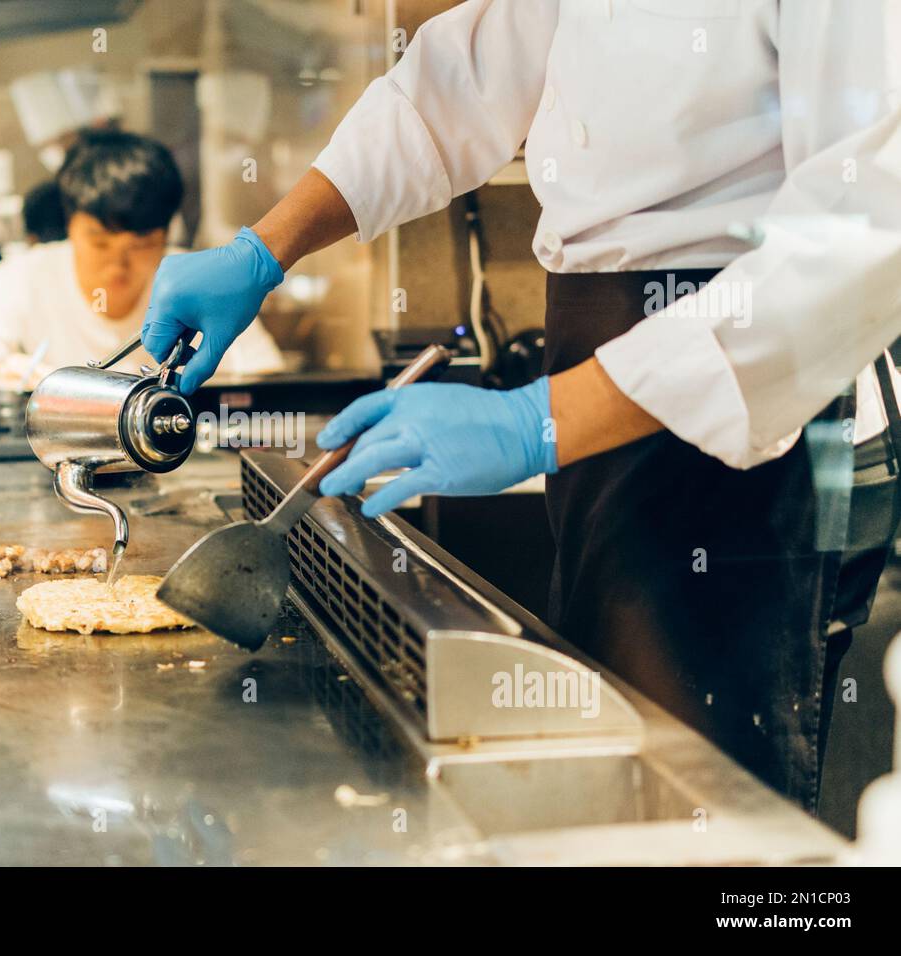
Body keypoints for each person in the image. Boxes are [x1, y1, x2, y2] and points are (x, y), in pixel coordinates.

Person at [142, 1, 901, 813]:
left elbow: (865, 233)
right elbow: (458, 84)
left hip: (746, 399)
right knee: (621, 758)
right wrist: (265, 248)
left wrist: (534, 421)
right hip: (595, 353)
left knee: (699, 791)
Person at [0, 130, 283, 391]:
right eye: (100, 242)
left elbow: (268, 381)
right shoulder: (17, 279)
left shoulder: (197, 283)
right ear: (70, 225)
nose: (118, 265)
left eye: (141, 245)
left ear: (167, 234)